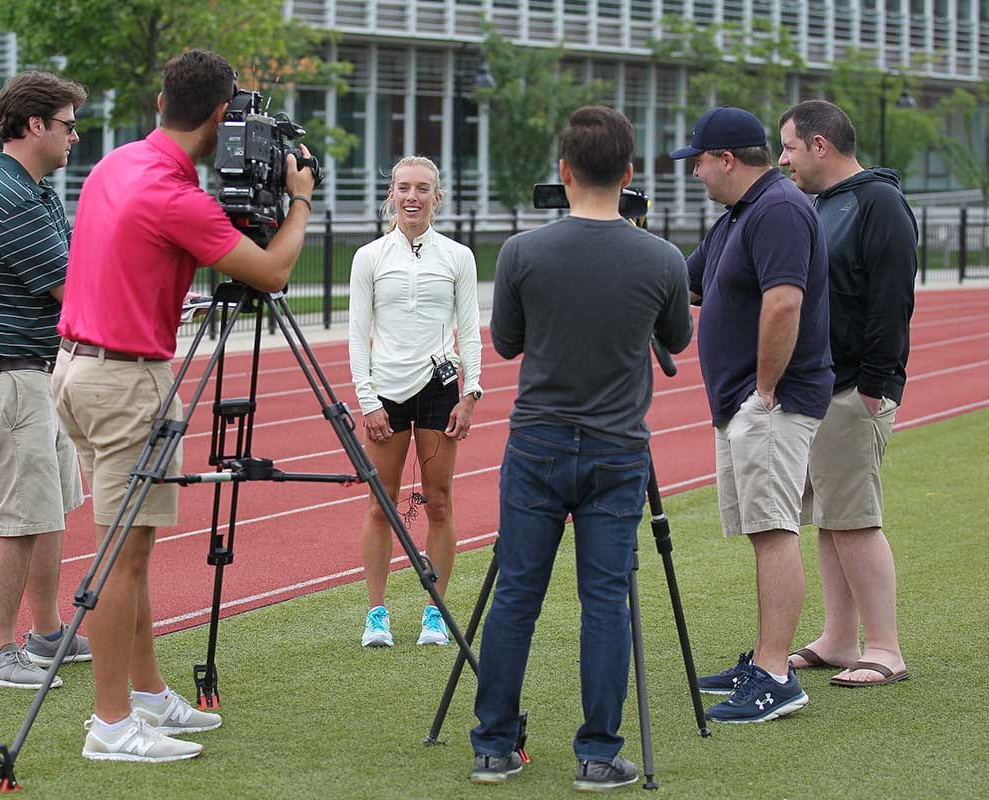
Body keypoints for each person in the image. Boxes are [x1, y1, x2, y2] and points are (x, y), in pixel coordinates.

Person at [52, 49, 316, 763]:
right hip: (122, 379)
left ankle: (143, 694)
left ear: (164, 101)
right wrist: (298, 201)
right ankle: (111, 725)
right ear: (224, 117)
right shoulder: (177, 196)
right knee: (120, 558)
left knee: (130, 547)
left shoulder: (117, 164)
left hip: (80, 369)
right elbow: (273, 270)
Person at [470, 106, 693, 790]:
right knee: (605, 601)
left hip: (537, 442)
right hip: (616, 447)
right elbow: (678, 342)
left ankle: (494, 747)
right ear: (628, 175)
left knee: (515, 598)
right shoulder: (661, 257)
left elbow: (506, 343)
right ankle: (599, 755)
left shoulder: (521, 253)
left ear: (564, 172)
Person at [671, 106, 834, 723]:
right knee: (761, 530)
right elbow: (685, 286)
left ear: (728, 159)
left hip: (772, 399)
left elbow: (784, 303)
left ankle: (775, 676)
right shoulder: (740, 214)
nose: (697, 174)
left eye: (700, 162)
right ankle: (767, 659)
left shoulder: (779, 209)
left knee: (773, 531)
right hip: (745, 398)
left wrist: (764, 390)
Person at [0, 71, 92, 690]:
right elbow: (73, 293)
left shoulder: (35, 190)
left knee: (50, 509)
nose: (74, 136)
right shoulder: (10, 196)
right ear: (34, 125)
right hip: (6, 377)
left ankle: (45, 633)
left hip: (33, 373)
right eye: (66, 124)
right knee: (19, 516)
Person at [777, 100, 914, 687]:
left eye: (787, 147)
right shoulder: (822, 204)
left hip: (857, 386)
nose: (782, 159)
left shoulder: (876, 202)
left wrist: (877, 384)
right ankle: (838, 638)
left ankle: (885, 647)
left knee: (855, 518)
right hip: (825, 385)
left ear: (819, 145)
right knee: (831, 518)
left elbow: (892, 297)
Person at [348, 155, 483, 649]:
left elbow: (469, 331)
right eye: (403, 187)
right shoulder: (369, 257)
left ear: (437, 197)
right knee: (381, 505)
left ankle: (435, 613)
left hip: (439, 392)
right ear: (391, 194)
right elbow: (357, 335)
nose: (412, 196)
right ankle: (377, 614)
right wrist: (367, 401)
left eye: (422, 188)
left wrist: (470, 393)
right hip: (385, 392)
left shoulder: (458, 257)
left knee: (439, 502)